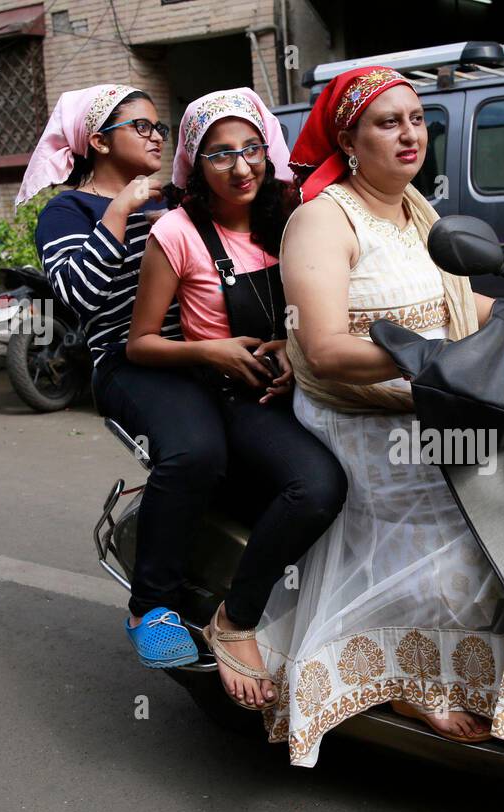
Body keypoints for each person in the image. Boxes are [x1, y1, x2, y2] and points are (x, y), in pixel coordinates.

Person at [256, 66, 504, 767]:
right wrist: (425, 355)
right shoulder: (321, 220)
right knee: (471, 531)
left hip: (433, 398)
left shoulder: (419, 209)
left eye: (417, 119)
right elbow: (324, 349)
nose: (410, 134)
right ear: (349, 137)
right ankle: (411, 680)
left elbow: (456, 305)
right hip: (359, 414)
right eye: (388, 122)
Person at [127, 89, 346, 710]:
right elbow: (141, 344)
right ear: (195, 164)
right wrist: (213, 350)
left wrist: (288, 348)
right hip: (236, 398)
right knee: (317, 487)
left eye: (250, 148)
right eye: (220, 155)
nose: (241, 167)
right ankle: (236, 616)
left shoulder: (295, 215)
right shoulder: (176, 232)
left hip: (311, 383)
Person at [22, 84, 200, 667]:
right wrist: (122, 207)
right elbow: (82, 297)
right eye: (141, 127)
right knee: (193, 452)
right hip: (126, 365)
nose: (156, 136)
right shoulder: (67, 211)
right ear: (98, 141)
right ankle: (149, 607)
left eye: (160, 127)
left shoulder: (176, 199)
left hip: (202, 353)